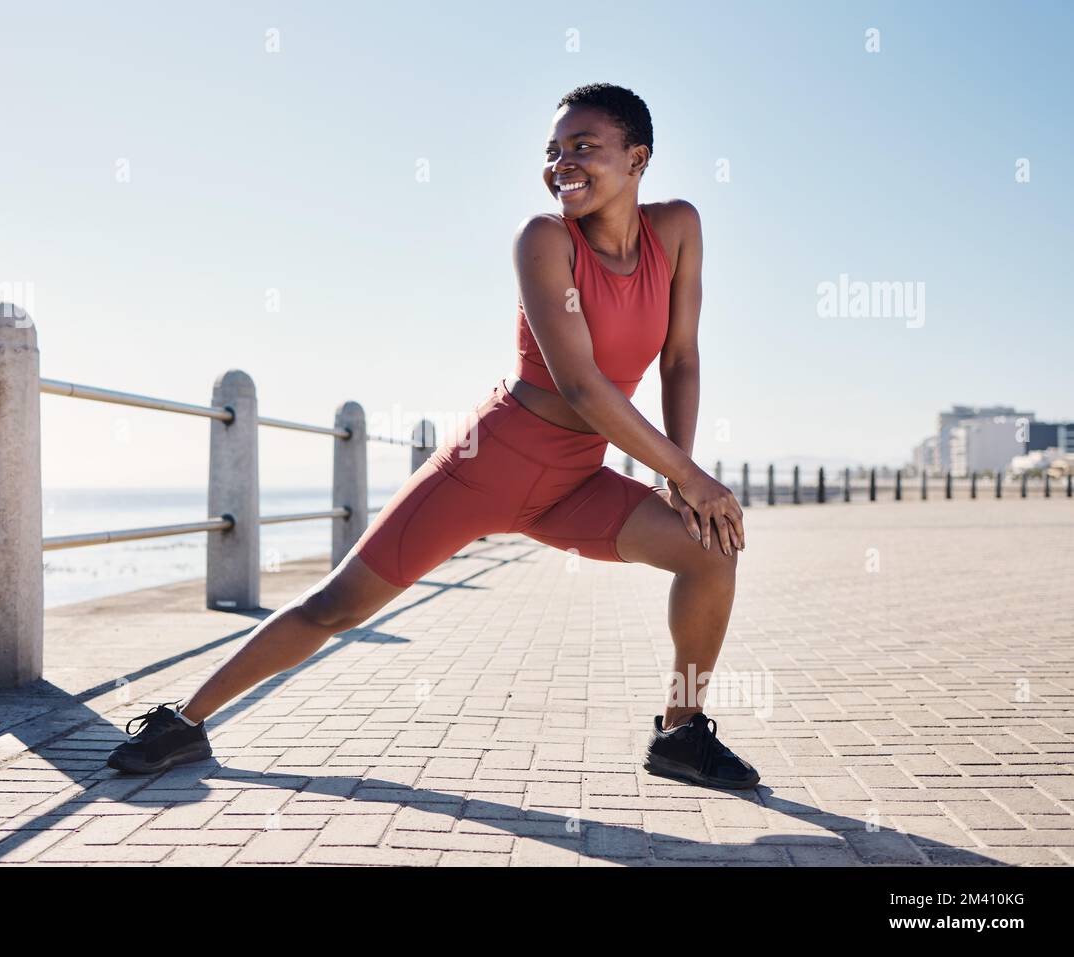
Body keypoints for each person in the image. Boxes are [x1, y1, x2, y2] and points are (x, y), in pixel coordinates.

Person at [108, 82, 757, 790]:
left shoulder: (679, 229)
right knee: (337, 605)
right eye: (553, 151)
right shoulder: (543, 240)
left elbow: (681, 357)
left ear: (638, 157)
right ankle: (185, 719)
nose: (562, 163)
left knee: (709, 550)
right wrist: (689, 478)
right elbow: (579, 385)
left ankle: (681, 731)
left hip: (576, 480)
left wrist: (678, 473)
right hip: (489, 465)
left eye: (583, 148)